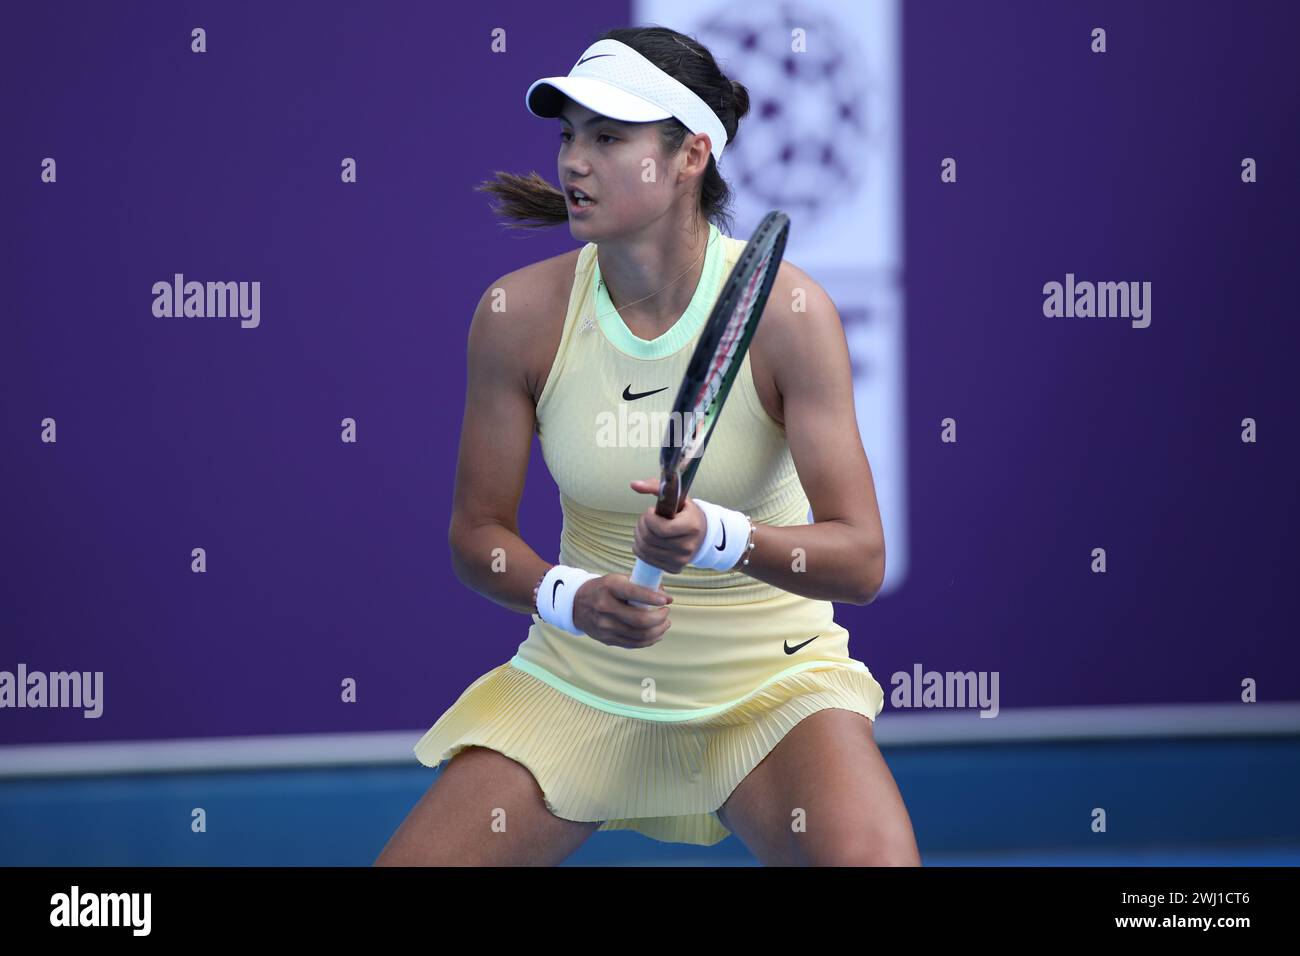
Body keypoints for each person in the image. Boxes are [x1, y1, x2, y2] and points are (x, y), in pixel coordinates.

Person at [375, 25, 920, 867]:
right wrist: (572, 596)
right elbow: (474, 538)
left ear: (690, 155)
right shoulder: (515, 317)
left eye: (608, 137)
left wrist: (721, 539)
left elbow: (861, 560)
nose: (573, 162)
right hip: (581, 683)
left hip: (772, 688)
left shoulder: (789, 314)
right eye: (568, 135)